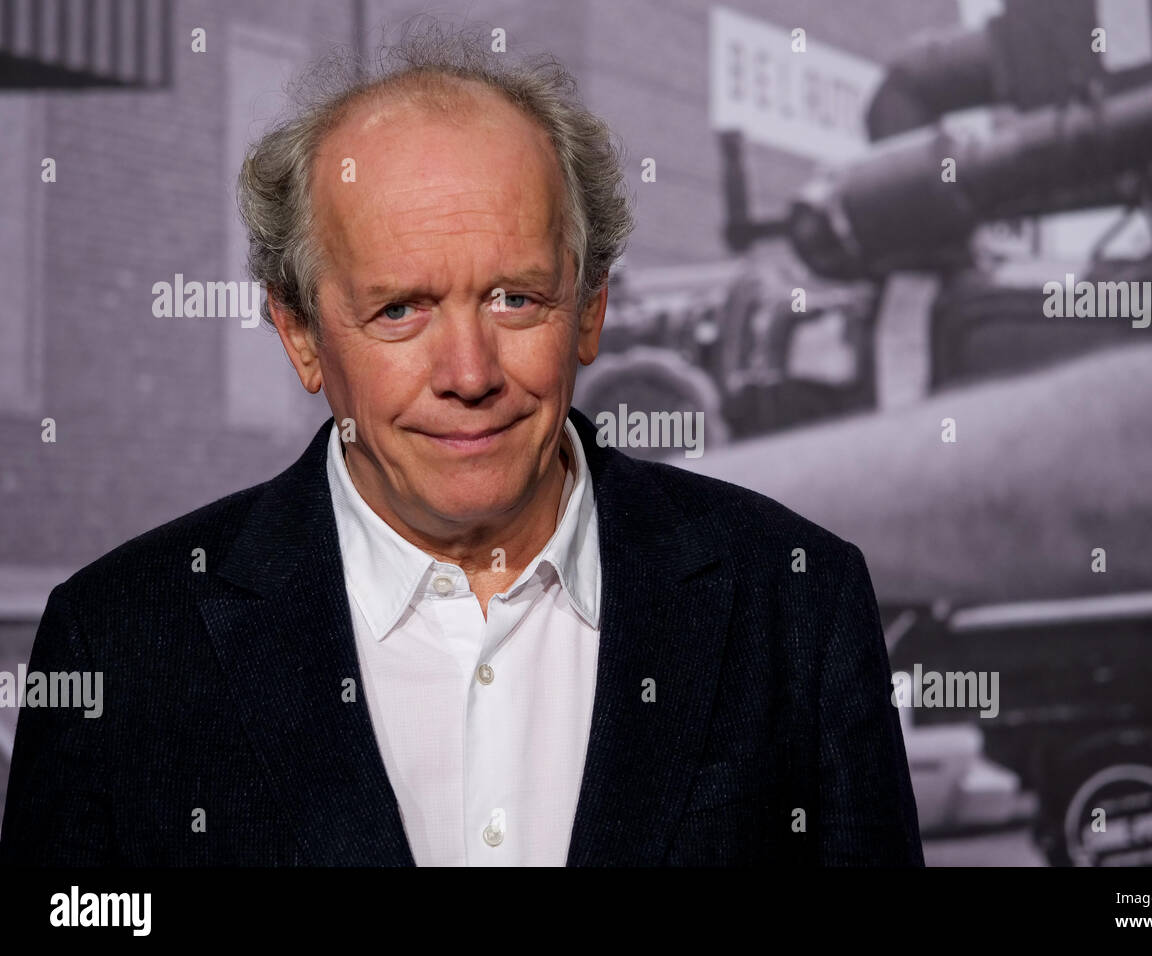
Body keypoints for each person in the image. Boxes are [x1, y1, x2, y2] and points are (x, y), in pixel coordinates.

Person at [0, 27, 922, 867]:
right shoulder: (120, 643)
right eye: (400, 310)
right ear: (301, 336)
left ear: (592, 308)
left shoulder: (798, 604)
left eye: (515, 298)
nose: (470, 371)